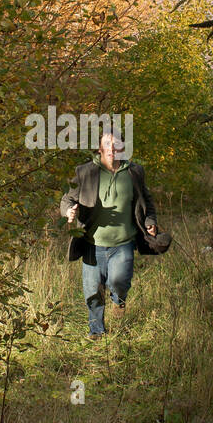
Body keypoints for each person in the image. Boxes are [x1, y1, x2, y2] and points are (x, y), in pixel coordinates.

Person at [59, 130, 160, 337]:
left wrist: (150, 221)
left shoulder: (134, 172)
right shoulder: (85, 172)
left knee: (118, 281)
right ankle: (97, 332)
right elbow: (67, 199)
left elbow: (146, 201)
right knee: (93, 291)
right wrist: (68, 211)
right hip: (91, 242)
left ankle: (118, 300)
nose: (112, 149)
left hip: (124, 242)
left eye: (117, 144)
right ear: (100, 148)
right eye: (108, 144)